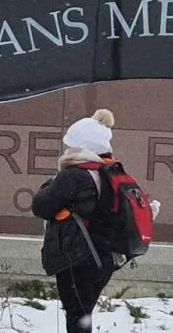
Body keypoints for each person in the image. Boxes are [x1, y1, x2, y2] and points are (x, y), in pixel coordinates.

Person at [31, 109, 120, 332]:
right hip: (103, 258)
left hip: (77, 257)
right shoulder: (108, 173)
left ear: (81, 146)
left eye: (70, 144)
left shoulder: (74, 176)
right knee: (82, 314)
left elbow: (41, 206)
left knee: (77, 317)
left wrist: (48, 185)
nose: (67, 149)